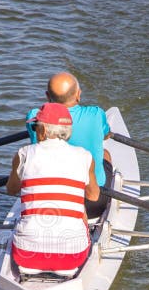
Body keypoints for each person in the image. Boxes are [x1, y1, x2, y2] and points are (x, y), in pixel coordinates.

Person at [7, 103, 99, 275]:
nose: (35, 131)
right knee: (82, 209)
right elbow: (94, 195)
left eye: (35, 127)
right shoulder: (85, 156)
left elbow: (11, 190)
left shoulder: (24, 153)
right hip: (73, 256)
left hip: (26, 255)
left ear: (43, 130)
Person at [26, 72, 113, 218]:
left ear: (47, 97)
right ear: (78, 94)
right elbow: (106, 135)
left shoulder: (35, 117)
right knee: (105, 154)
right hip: (93, 202)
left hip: (49, 203)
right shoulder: (96, 114)